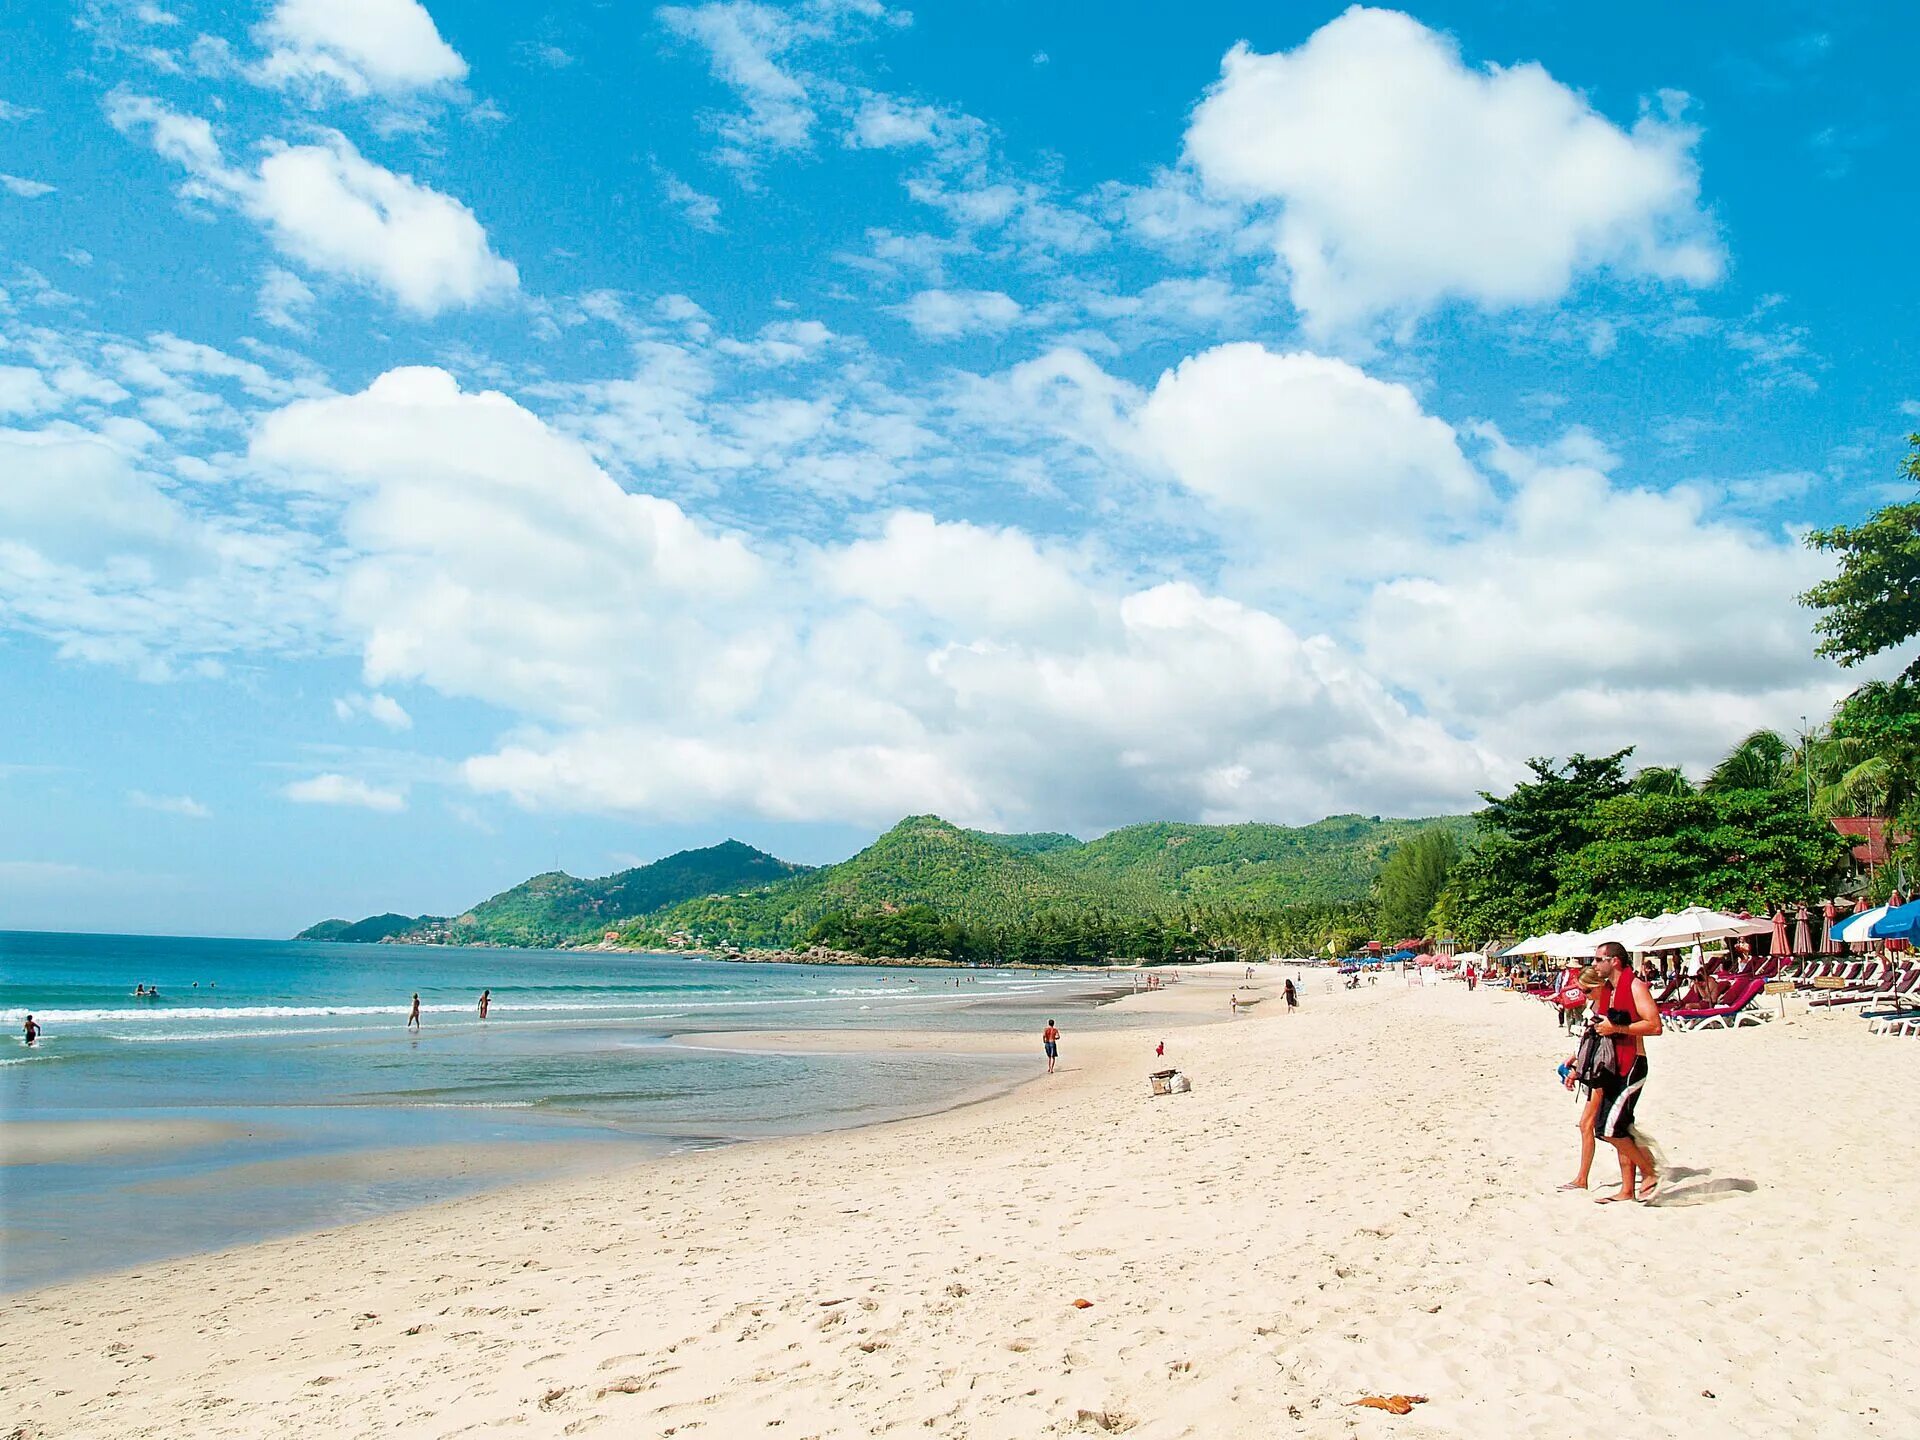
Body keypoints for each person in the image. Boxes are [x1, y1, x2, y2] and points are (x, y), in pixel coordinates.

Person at [1591, 941, 1663, 1203]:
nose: (1594, 964)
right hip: (1613, 1065)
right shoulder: (1608, 990)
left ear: (1615, 961)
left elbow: (1655, 1026)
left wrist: (1617, 1029)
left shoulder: (1634, 986)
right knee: (1621, 1128)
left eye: (1599, 959)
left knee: (1609, 1129)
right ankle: (1626, 1190)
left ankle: (1650, 1171)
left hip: (1632, 1064)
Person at [1557, 968, 1612, 1192]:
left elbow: (1601, 1046)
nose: (1584, 994)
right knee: (1591, 1126)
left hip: (1601, 1071)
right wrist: (1575, 1056)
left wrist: (1578, 1068)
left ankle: (1646, 1167)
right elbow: (1590, 1039)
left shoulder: (1607, 1009)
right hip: (1593, 1068)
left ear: (1599, 985)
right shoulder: (1596, 1006)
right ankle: (1582, 1178)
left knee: (1598, 1128)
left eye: (1587, 990)